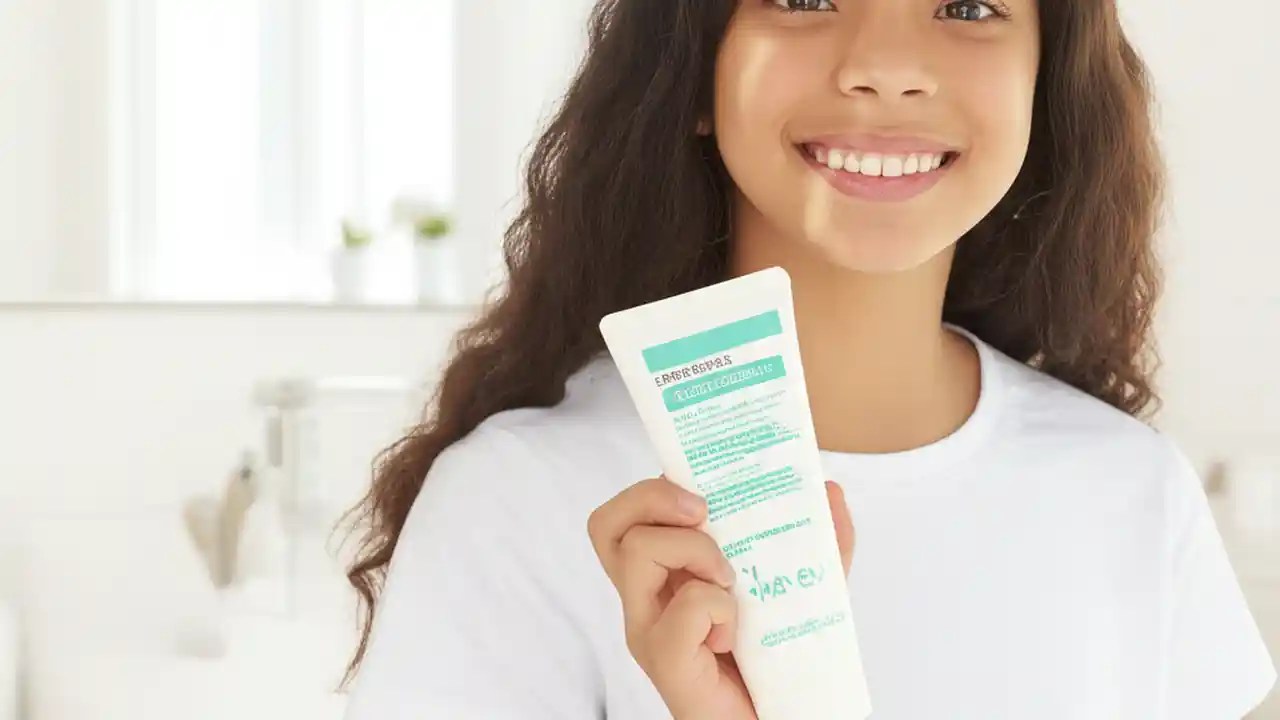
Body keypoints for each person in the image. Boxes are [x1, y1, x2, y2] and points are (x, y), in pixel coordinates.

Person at [341, 1, 1277, 718]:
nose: (886, 67)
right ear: (694, 69)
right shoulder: (518, 499)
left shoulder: (1129, 486)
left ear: (1048, 85)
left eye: (967, 5)